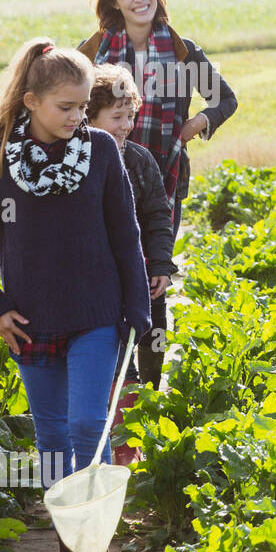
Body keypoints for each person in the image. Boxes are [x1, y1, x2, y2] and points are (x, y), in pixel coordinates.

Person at [0, 39, 151, 552]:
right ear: (31, 101)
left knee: (89, 429)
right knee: (50, 441)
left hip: (96, 315)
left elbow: (126, 232)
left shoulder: (100, 152)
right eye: (65, 107)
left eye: (81, 105)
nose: (77, 117)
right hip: (30, 322)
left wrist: (138, 307)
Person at [78, 0, 238, 389]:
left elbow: (225, 99)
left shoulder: (182, 51)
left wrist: (196, 124)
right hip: (100, 177)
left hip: (162, 180)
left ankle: (150, 382)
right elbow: (66, 103)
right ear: (114, 2)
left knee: (155, 277)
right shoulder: (92, 51)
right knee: (107, 272)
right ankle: (118, 377)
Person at [86, 64, 175, 463]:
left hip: (145, 276)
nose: (125, 126)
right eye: (116, 117)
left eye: (130, 117)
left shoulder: (140, 161)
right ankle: (120, 444)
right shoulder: (82, 163)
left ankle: (147, 414)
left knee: (153, 341)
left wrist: (161, 265)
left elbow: (158, 214)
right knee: (115, 356)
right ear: (90, 118)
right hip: (105, 283)